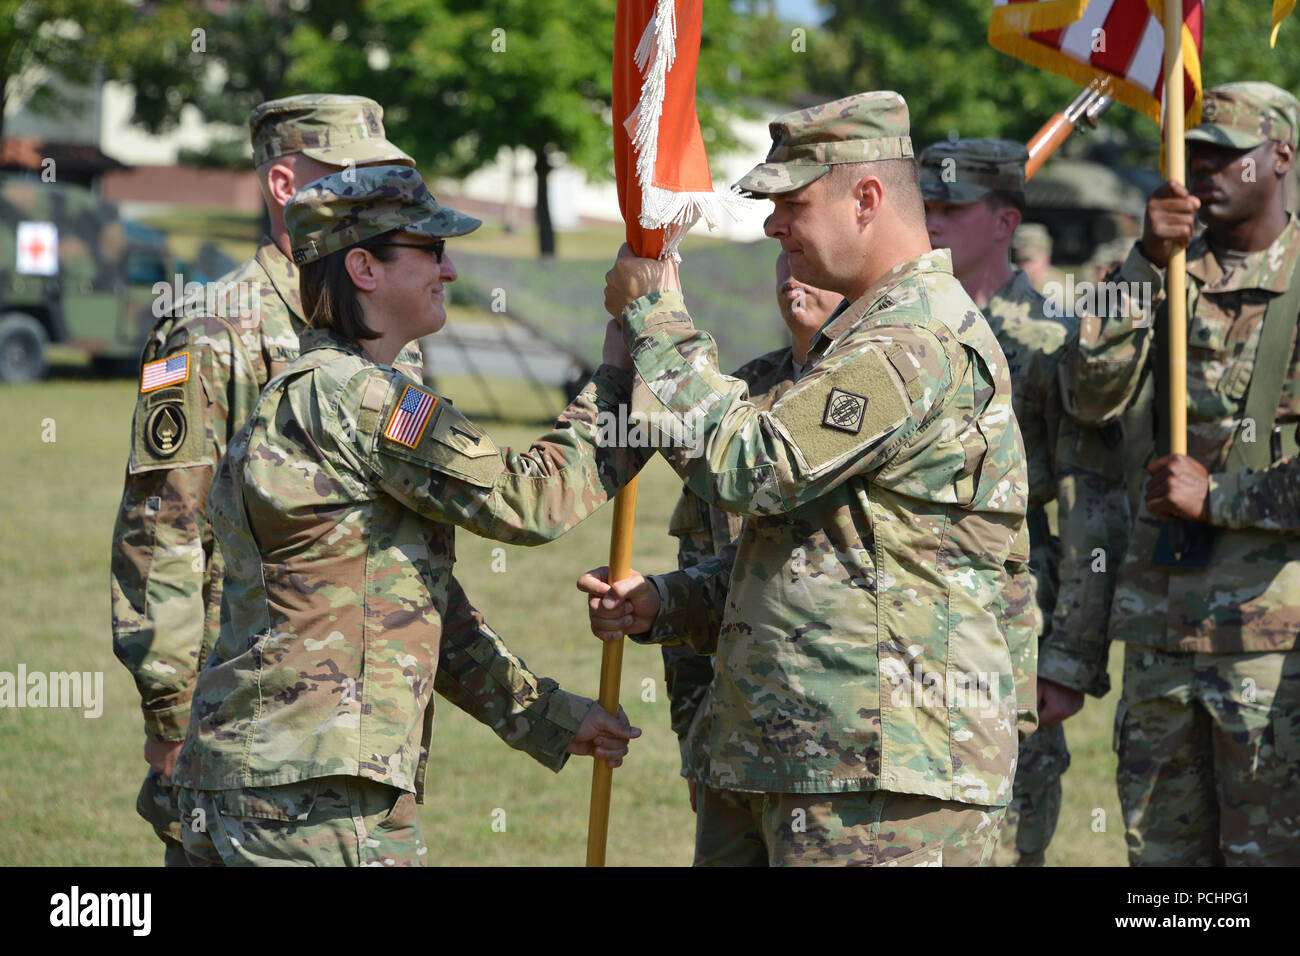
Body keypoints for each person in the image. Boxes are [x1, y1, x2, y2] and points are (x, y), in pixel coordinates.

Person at [582, 91, 1034, 866]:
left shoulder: (911, 340)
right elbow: (821, 549)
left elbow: (753, 464)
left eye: (792, 202)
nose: (772, 225)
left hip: (881, 778)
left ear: (866, 199)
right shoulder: (861, 335)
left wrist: (656, 315)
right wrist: (670, 601)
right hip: (800, 757)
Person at [170, 164, 645, 866]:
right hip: (317, 804)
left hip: (238, 784)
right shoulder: (367, 402)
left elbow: (406, 607)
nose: (448, 273)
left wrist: (542, 716)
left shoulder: (294, 392)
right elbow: (529, 500)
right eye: (431, 251)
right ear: (363, 267)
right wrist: (619, 383)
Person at [111, 94, 434, 865]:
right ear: (285, 184)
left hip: (364, 713)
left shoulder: (388, 328)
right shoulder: (207, 330)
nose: (378, 195)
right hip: (243, 715)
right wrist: (168, 712)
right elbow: (163, 530)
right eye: (352, 176)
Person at [1061, 81, 1300, 866]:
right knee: (1163, 869)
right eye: (1194, 157)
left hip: (1271, 641)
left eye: (1227, 157)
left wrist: (1221, 497)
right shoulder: (1157, 276)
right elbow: (1087, 397)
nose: (1205, 173)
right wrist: (1144, 261)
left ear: (1281, 158)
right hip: (1160, 630)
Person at [920, 138, 1129, 865]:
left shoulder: (1052, 343)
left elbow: (1090, 504)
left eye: (951, 207)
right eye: (924, 205)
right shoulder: (896, 329)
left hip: (1009, 619)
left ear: (1005, 221)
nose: (932, 220)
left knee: (1007, 840)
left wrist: (1069, 660)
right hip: (893, 626)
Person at [653, 250, 840, 864]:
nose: (793, 270)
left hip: (839, 756)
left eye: (811, 254)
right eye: (785, 253)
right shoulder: (736, 403)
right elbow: (698, 571)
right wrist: (694, 732)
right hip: (732, 750)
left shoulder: (879, 386)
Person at [1011, 222, 1053, 291]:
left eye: (1028, 260)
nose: (1023, 267)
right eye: (1018, 261)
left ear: (1046, 258)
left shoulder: (1058, 293)